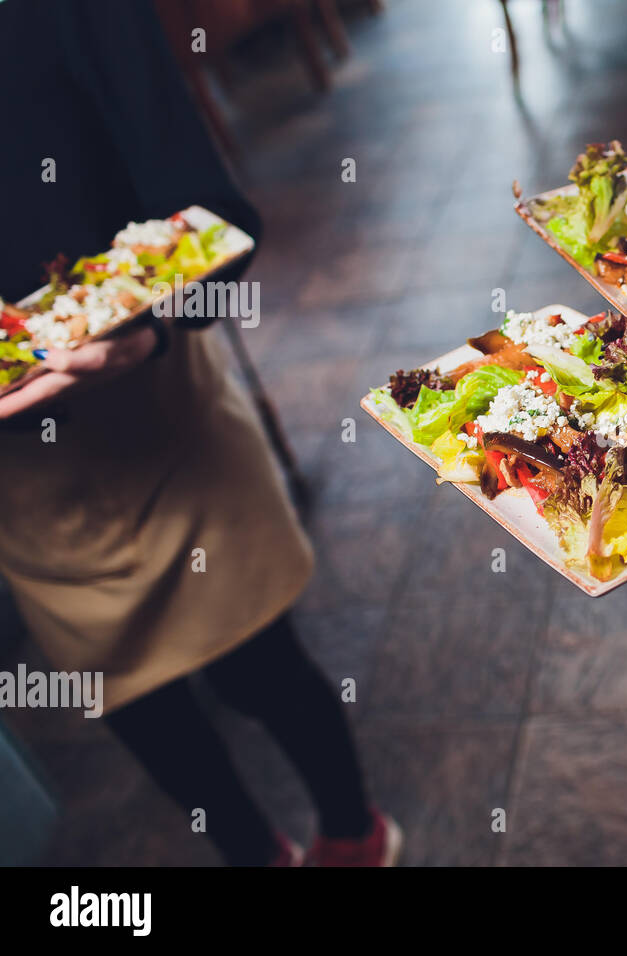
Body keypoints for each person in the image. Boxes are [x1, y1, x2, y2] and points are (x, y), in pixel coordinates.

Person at [0, 0, 398, 867]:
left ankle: (354, 834)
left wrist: (140, 330)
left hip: (156, 407)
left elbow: (210, 212)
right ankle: (257, 858)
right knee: (145, 719)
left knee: (262, 669)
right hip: (20, 493)